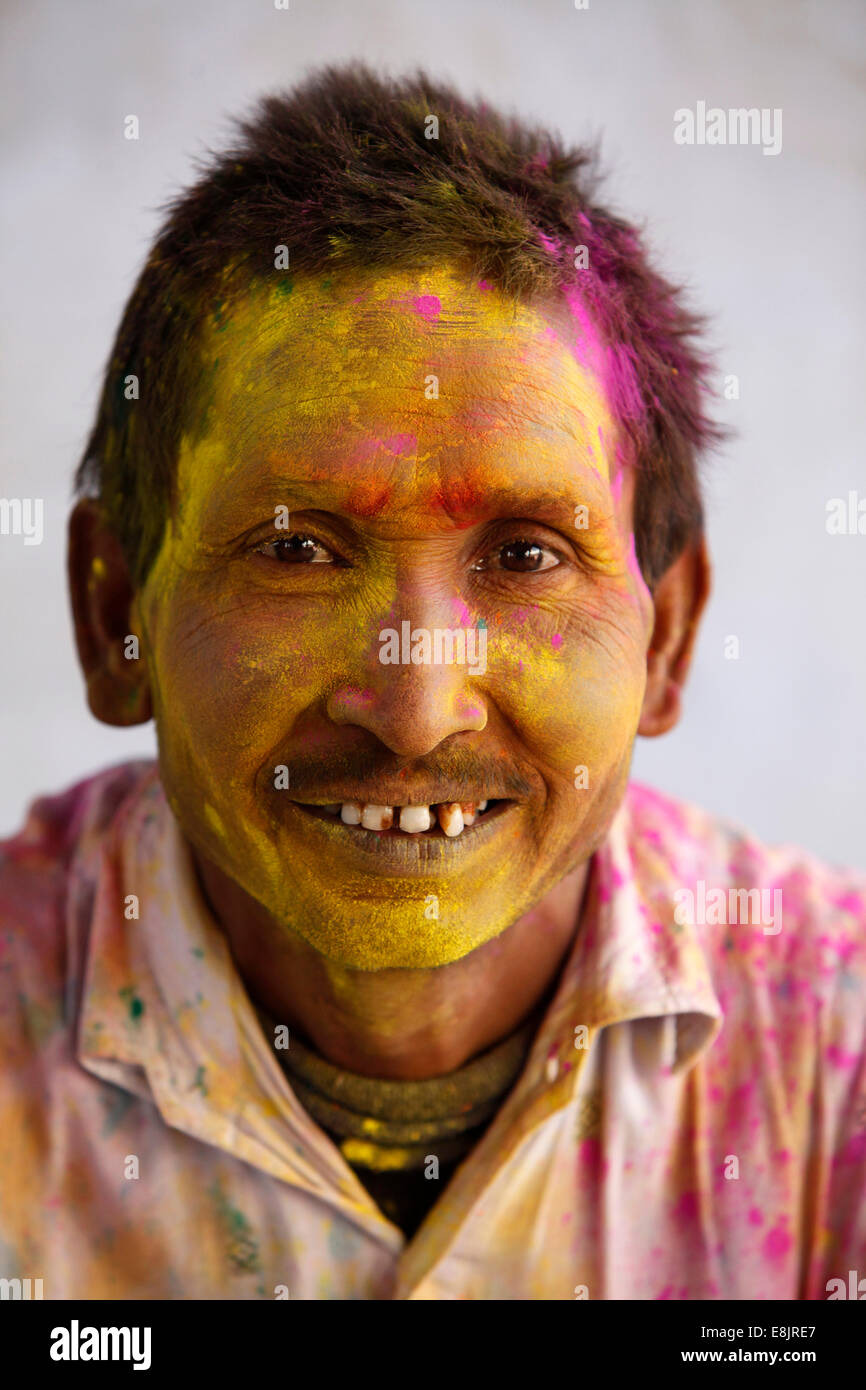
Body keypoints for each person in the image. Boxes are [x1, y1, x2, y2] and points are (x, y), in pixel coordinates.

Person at [1, 63, 863, 1301]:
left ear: (664, 640)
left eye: (524, 555)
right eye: (297, 549)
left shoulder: (835, 1052)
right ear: (114, 620)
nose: (412, 710)